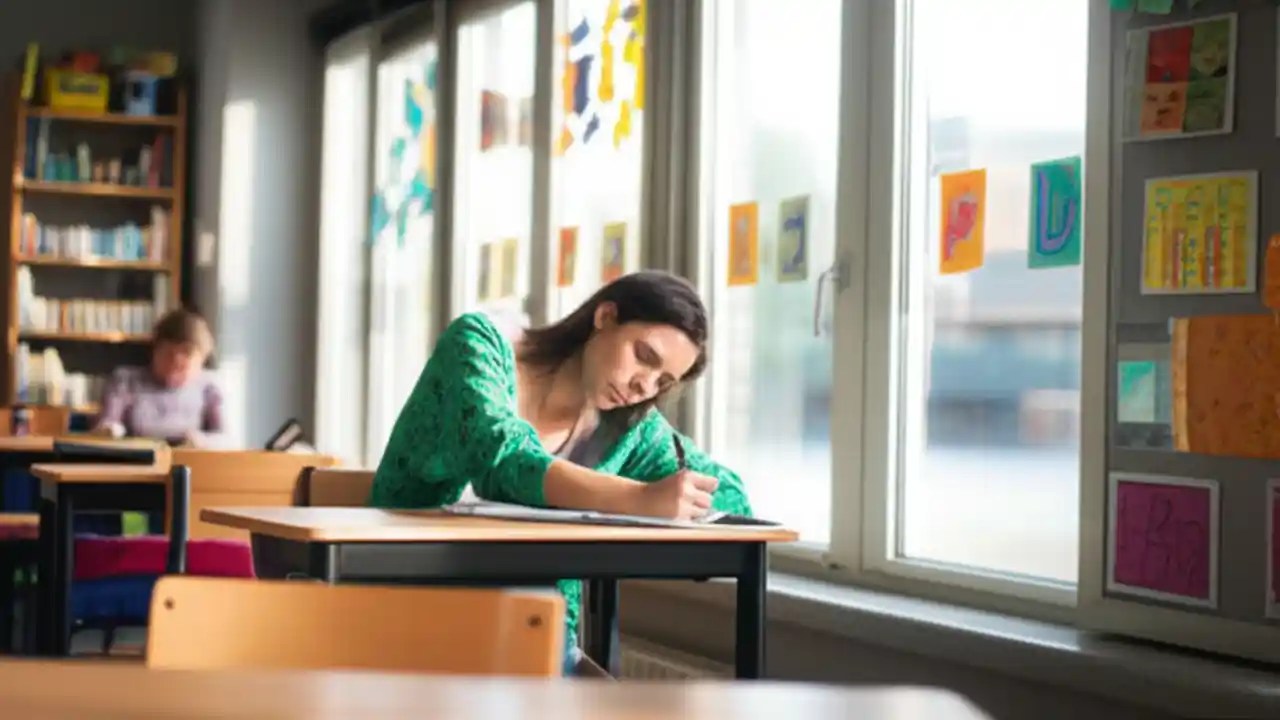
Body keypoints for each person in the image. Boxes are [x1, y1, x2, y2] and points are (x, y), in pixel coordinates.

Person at [370, 270, 751, 671]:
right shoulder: (479, 343)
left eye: (663, 382)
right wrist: (640, 498)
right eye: (644, 356)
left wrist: (681, 495)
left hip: (536, 639)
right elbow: (502, 460)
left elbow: (731, 494)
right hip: (409, 609)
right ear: (605, 317)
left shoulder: (627, 428)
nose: (645, 386)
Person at [96, 308, 224, 447]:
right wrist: (111, 431)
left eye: (187, 353)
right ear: (155, 351)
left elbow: (224, 438)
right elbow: (107, 424)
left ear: (202, 358)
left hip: (194, 461)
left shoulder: (210, 387)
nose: (176, 360)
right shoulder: (125, 381)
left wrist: (199, 440)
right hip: (137, 462)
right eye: (168, 352)